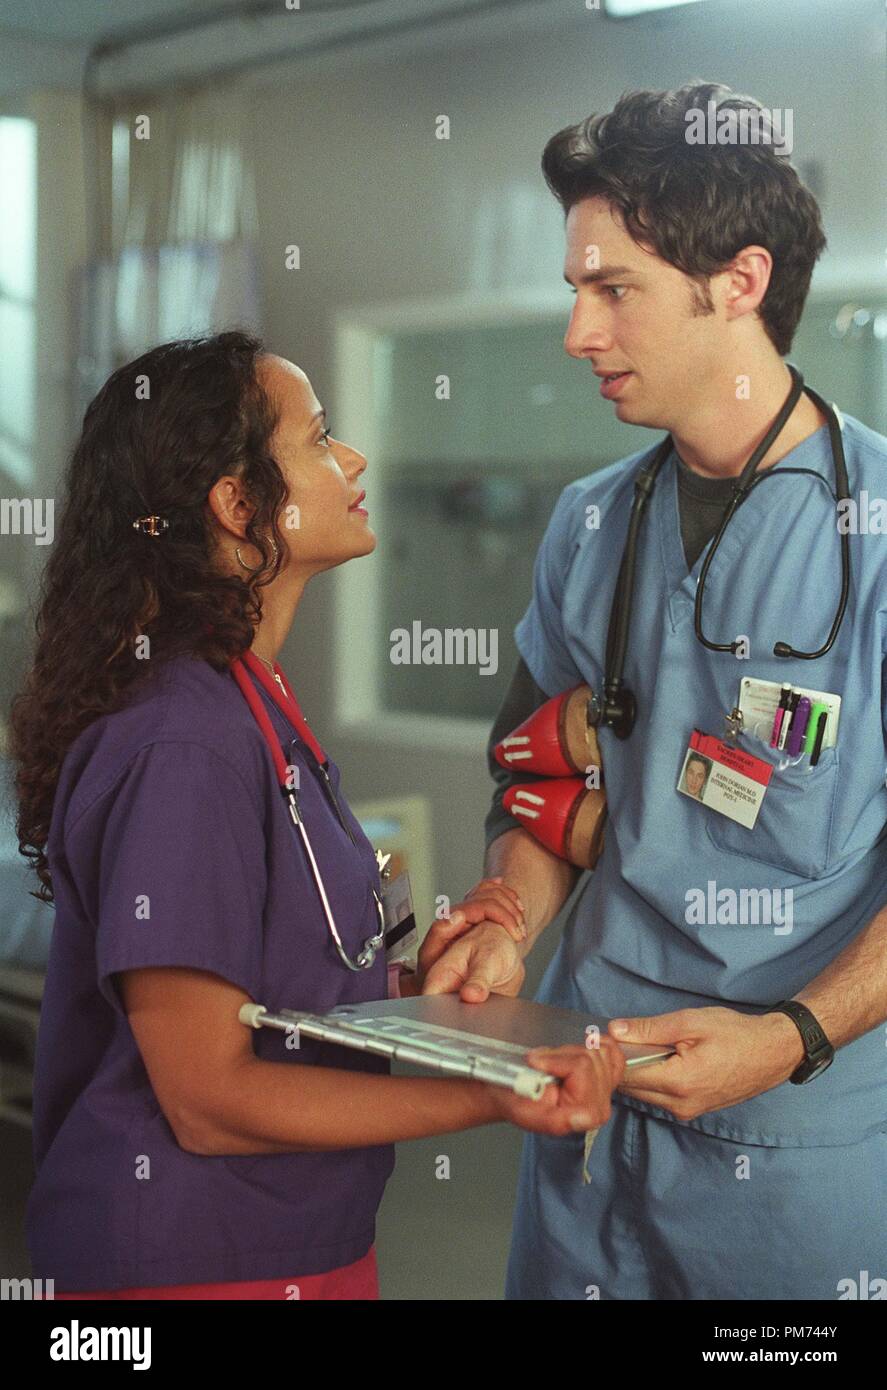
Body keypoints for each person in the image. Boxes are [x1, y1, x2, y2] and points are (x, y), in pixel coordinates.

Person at [11, 331, 625, 1300]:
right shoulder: (183, 738)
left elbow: (282, 978)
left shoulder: (256, 703)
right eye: (320, 436)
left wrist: (418, 975)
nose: (355, 458)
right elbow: (207, 1097)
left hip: (300, 1239)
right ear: (239, 502)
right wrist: (494, 1089)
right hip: (184, 1258)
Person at [422, 83, 887, 1300]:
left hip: (795, 1156)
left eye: (610, 288)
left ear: (736, 280)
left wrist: (790, 1037)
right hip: (585, 1120)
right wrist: (506, 925)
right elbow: (537, 775)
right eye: (577, 289)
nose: (576, 331)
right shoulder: (587, 526)